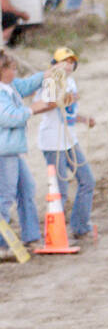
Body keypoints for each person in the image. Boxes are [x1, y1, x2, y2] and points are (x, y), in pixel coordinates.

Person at [36, 47, 94, 243]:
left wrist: (82, 118)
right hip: (53, 141)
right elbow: (48, 104)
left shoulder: (71, 81)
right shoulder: (50, 80)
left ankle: (80, 226)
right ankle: (56, 234)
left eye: (71, 61)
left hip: (69, 138)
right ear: (55, 63)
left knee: (87, 180)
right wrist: (67, 98)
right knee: (59, 189)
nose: (68, 65)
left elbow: (67, 113)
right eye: (64, 61)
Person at [0, 52, 56, 252]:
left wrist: (45, 75)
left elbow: (26, 85)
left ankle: (31, 236)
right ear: (3, 70)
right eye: (12, 68)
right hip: (4, 152)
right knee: (4, 196)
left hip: (11, 150)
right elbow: (9, 117)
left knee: (26, 189)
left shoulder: (10, 87)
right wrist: (32, 109)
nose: (15, 72)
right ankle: (1, 243)